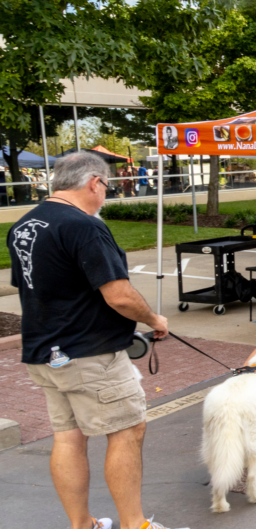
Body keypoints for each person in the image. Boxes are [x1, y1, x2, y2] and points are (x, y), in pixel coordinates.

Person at [12, 152, 177, 529]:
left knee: (68, 437)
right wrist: (154, 319)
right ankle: (135, 524)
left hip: (44, 353)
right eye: (107, 187)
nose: (105, 194)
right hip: (90, 355)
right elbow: (118, 294)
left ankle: (82, 524)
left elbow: (34, 289)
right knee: (127, 430)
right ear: (93, 183)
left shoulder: (24, 225)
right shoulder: (84, 225)